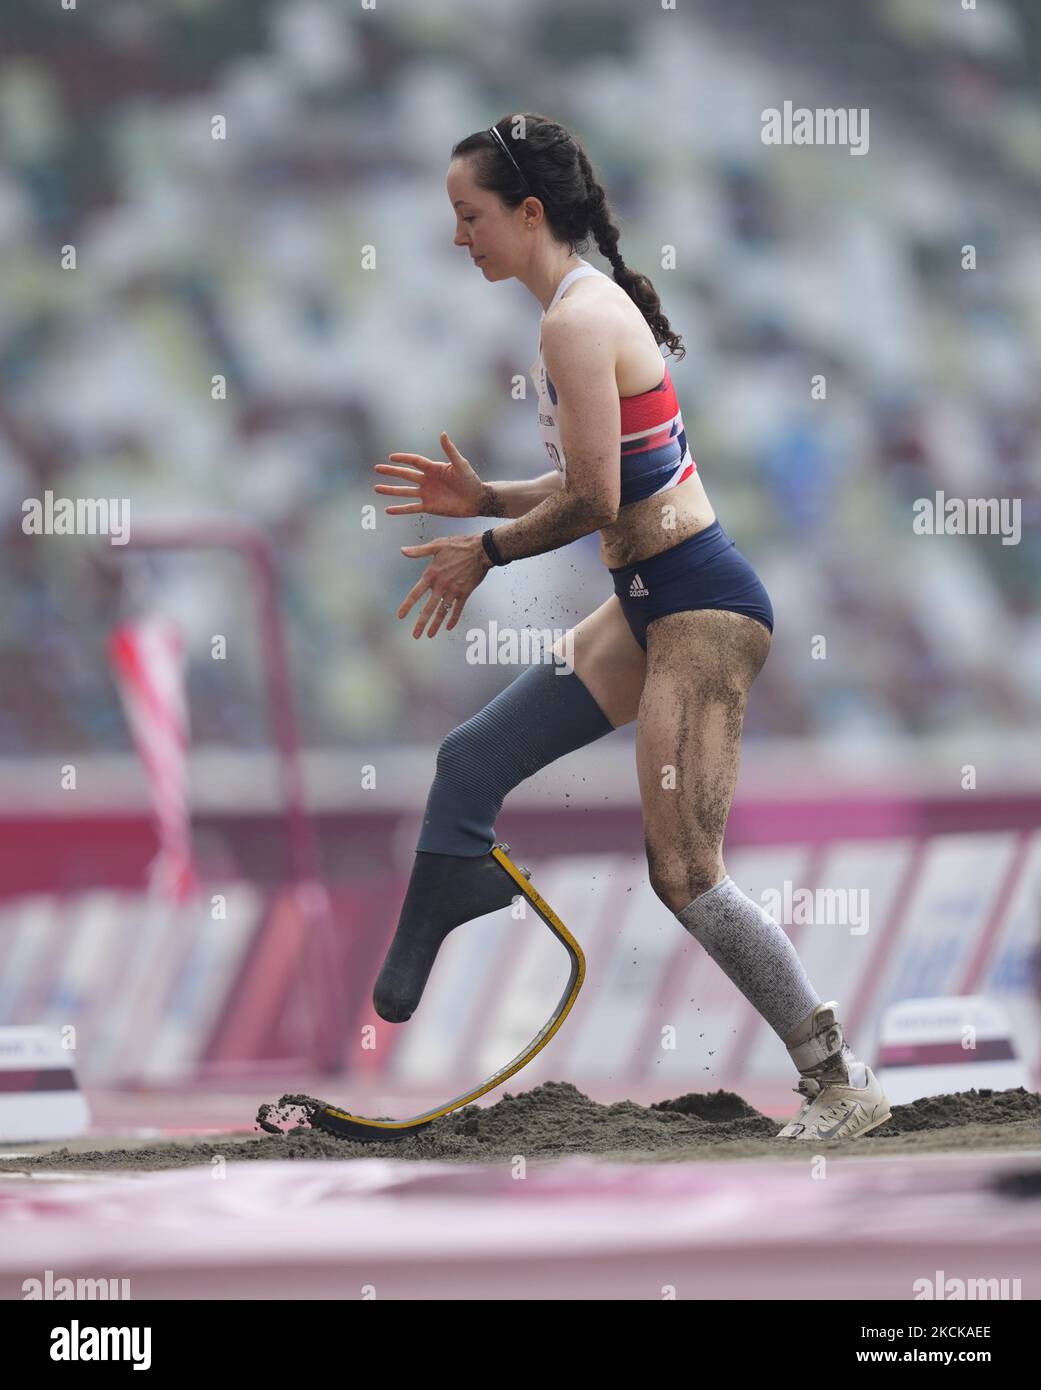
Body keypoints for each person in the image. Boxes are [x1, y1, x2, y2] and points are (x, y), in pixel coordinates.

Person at [370, 112, 890, 1141]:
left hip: (700, 610)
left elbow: (600, 500)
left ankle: (839, 1078)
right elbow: (611, 477)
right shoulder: (574, 312)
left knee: (684, 871)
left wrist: (491, 550)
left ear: (528, 213)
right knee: (472, 759)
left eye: (469, 217)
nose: (458, 237)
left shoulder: (574, 319)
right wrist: (484, 499)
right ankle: (455, 893)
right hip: (650, 605)